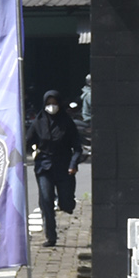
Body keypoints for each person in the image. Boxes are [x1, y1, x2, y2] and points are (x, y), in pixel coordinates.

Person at [25, 89, 81, 248]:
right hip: (44, 166)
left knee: (66, 203)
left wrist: (73, 164)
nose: (52, 107)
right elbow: (27, 142)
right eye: (49, 104)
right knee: (46, 199)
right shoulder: (38, 122)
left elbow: (77, 147)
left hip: (64, 166)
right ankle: (51, 236)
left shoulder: (67, 123)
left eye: (54, 104)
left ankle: (66, 203)